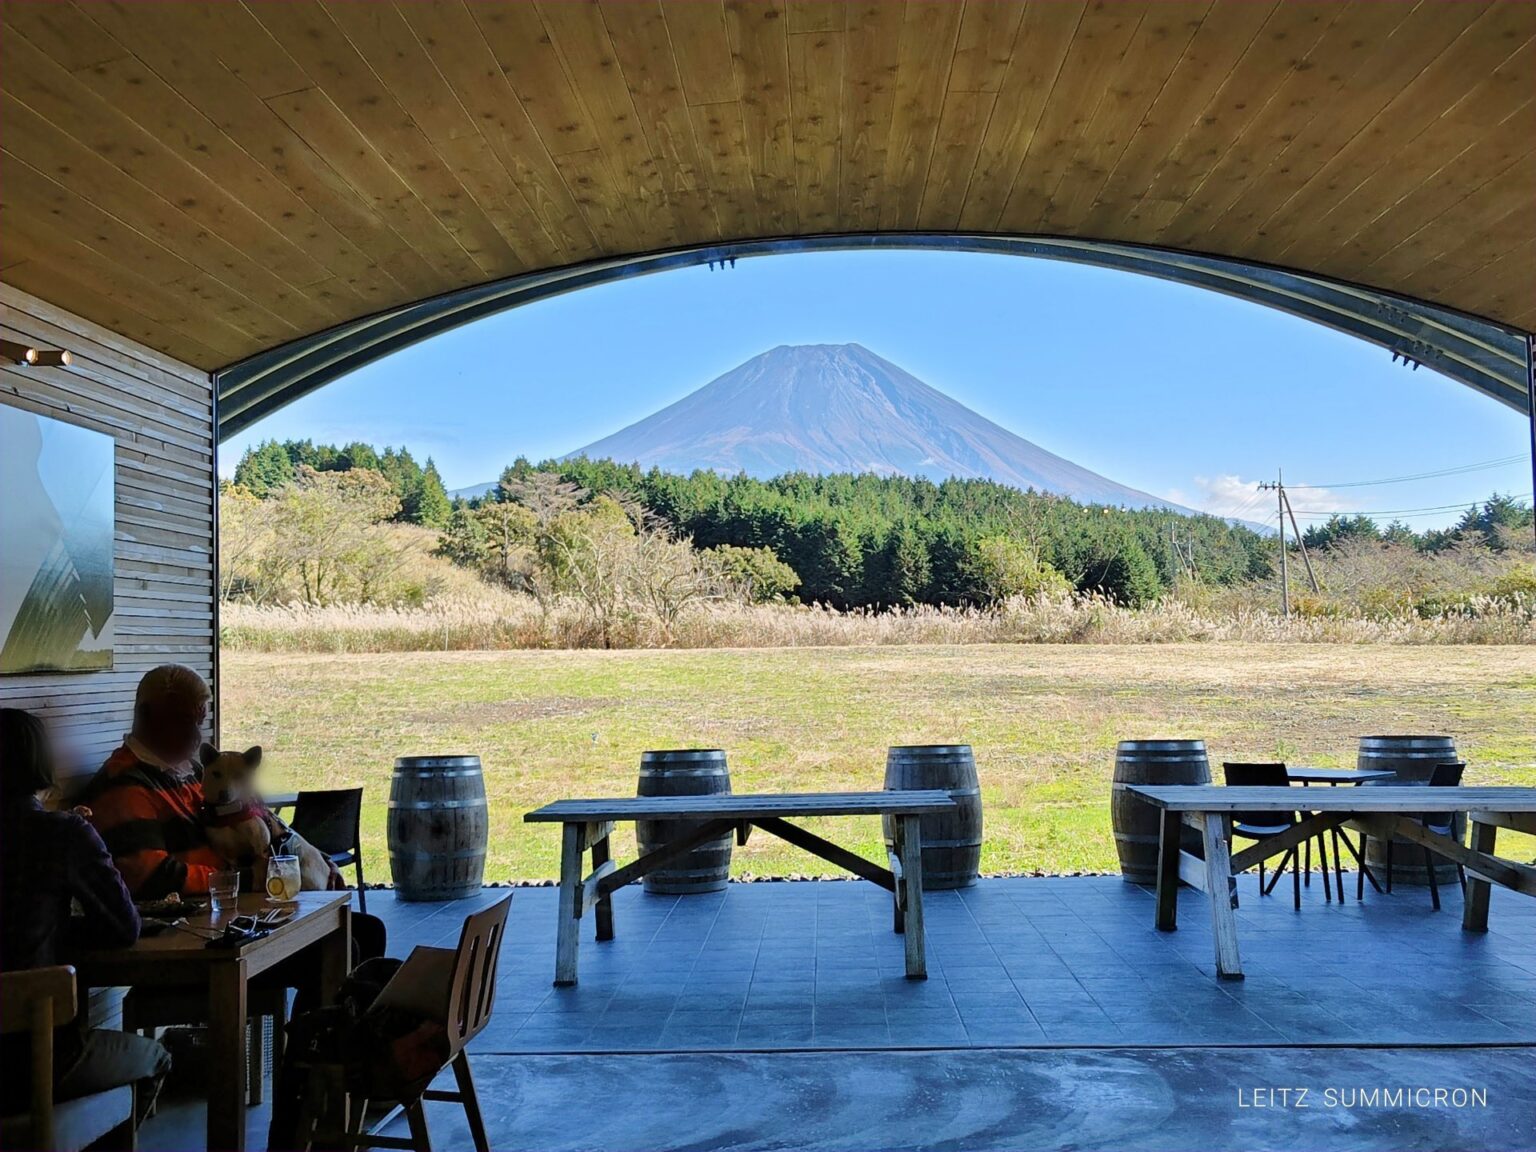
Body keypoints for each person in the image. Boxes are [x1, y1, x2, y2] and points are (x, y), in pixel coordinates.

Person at [0, 707, 171, 1118]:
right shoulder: (61, 834)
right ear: (42, 763)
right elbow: (123, 927)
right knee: (156, 1058)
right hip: (33, 1061)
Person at [83, 664, 226, 898]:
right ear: (146, 716)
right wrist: (239, 878)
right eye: (183, 722)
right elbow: (152, 877)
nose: (196, 736)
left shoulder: (192, 770)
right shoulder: (124, 784)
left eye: (199, 723)